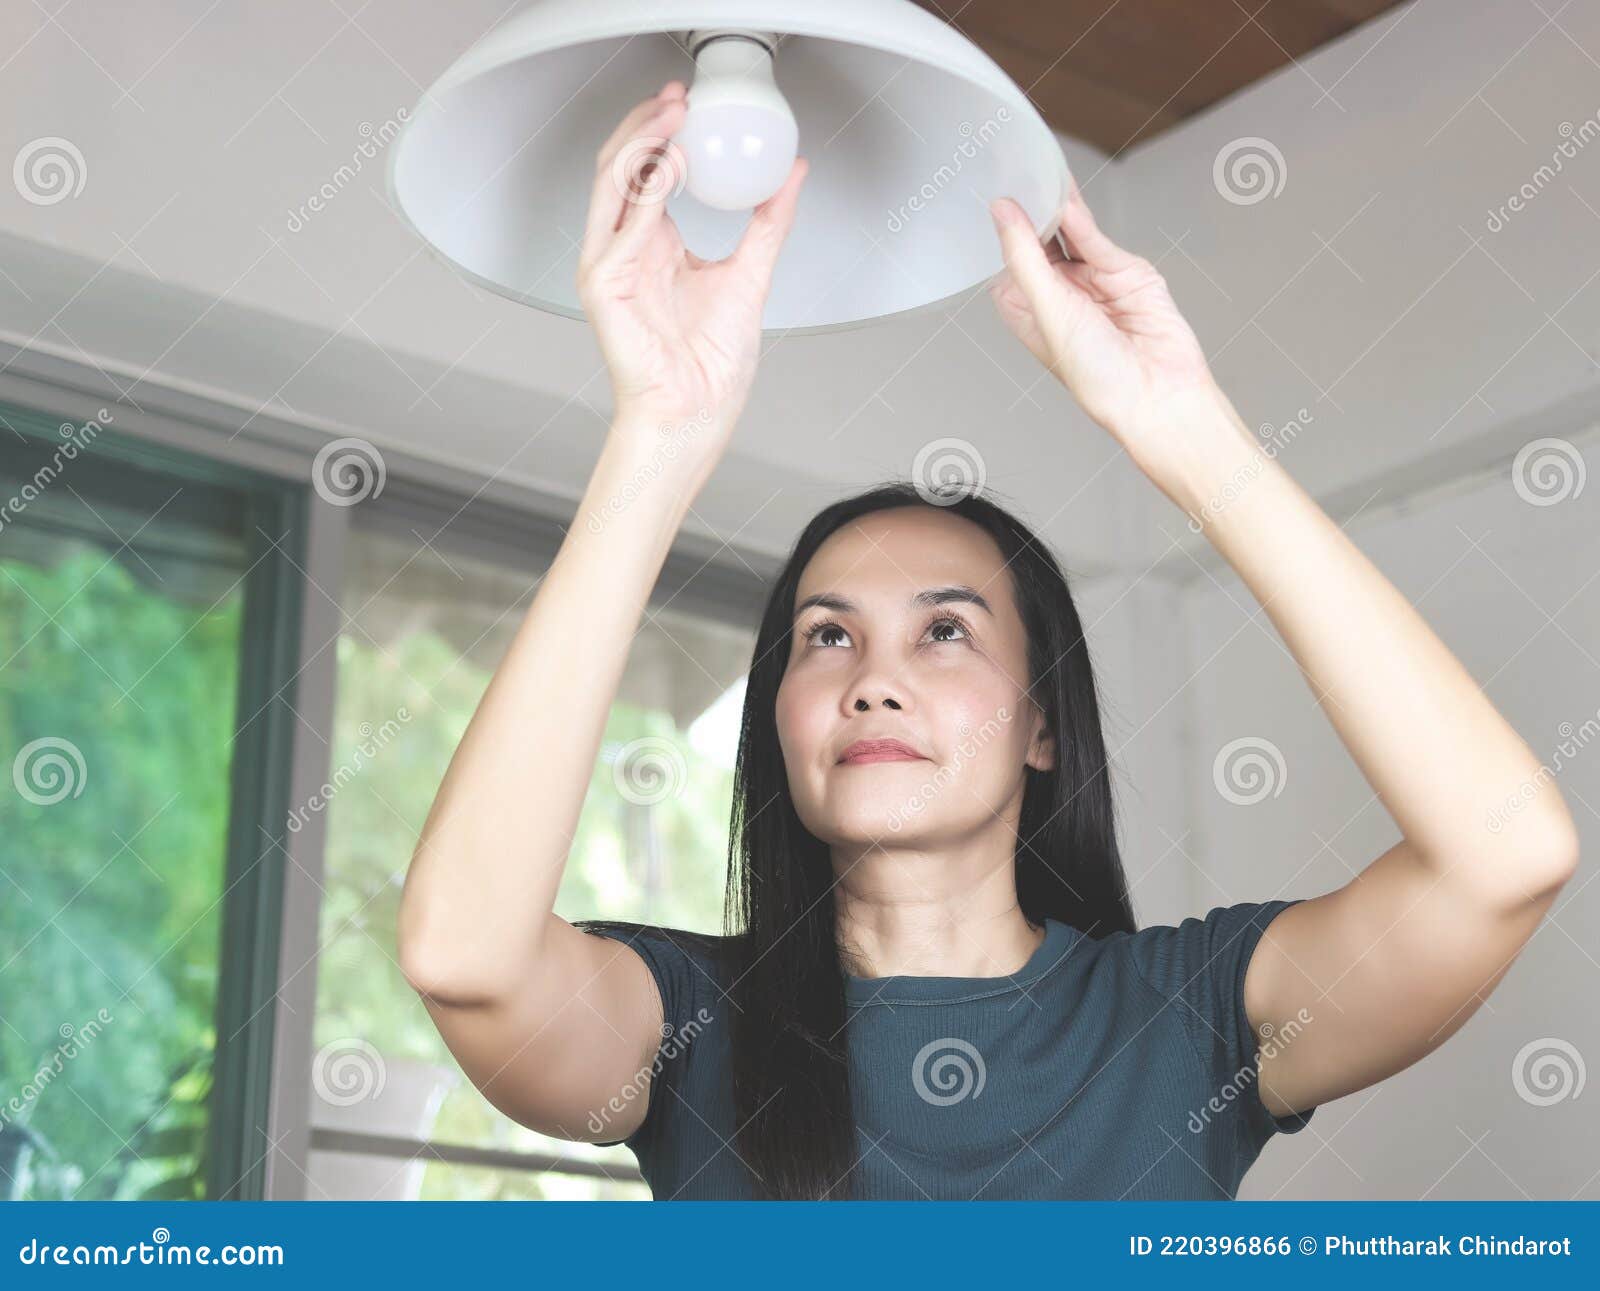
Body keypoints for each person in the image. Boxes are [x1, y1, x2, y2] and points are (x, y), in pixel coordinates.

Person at [395, 81, 1580, 1201]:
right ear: (778, 717)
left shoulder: (1191, 1019)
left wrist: (1184, 431)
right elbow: (465, 956)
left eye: (945, 631)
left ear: (1042, 726)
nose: (874, 680)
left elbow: (1504, 854)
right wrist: (661, 433)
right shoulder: (687, 1023)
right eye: (825, 636)